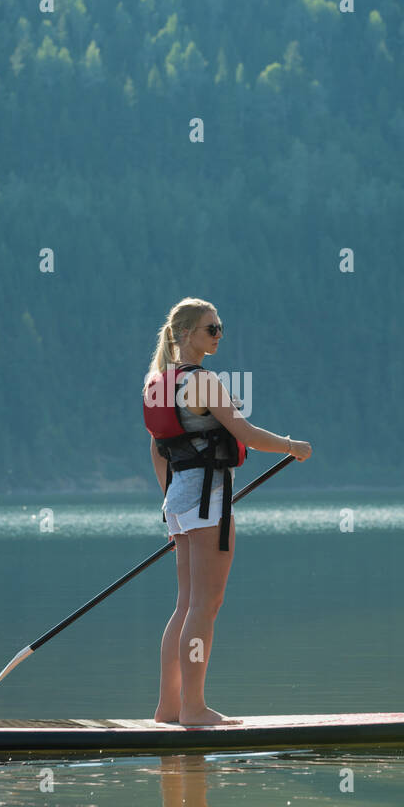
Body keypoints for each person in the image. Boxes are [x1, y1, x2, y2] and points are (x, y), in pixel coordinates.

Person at [144, 298, 311, 726]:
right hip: (206, 499)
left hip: (181, 499)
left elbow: (158, 450)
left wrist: (170, 506)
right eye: (211, 329)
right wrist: (293, 446)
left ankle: (168, 708)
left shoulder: (159, 382)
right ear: (185, 334)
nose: (219, 335)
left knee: (185, 604)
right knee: (206, 604)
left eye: (220, 327)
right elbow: (248, 435)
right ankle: (194, 709)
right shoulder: (201, 381)